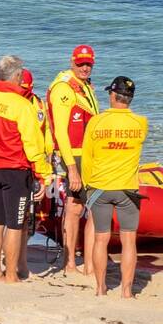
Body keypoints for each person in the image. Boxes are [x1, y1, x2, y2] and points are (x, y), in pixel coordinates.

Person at [0, 55, 52, 285]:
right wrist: (44, 176)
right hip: (15, 170)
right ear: (17, 76)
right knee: (15, 225)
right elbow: (33, 146)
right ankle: (11, 275)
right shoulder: (22, 106)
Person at [80, 77, 148, 299]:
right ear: (130, 98)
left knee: (101, 239)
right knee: (129, 241)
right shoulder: (141, 123)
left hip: (99, 187)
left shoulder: (96, 122)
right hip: (127, 189)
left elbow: (87, 157)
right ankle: (127, 291)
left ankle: (100, 288)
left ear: (112, 95)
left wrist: (87, 187)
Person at [46, 45, 100, 276]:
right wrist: (72, 169)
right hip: (75, 155)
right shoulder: (64, 90)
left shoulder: (85, 85)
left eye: (88, 64)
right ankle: (70, 263)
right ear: (72, 61)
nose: (85, 67)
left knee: (92, 207)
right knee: (75, 208)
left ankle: (88, 263)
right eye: (80, 63)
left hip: (88, 154)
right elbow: (61, 132)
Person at [16, 68, 54, 280]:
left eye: (27, 90)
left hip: (36, 166)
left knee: (29, 218)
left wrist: (47, 167)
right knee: (16, 219)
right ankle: (17, 260)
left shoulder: (38, 105)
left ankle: (21, 257)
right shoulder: (11, 104)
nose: (24, 93)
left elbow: (45, 134)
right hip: (16, 166)